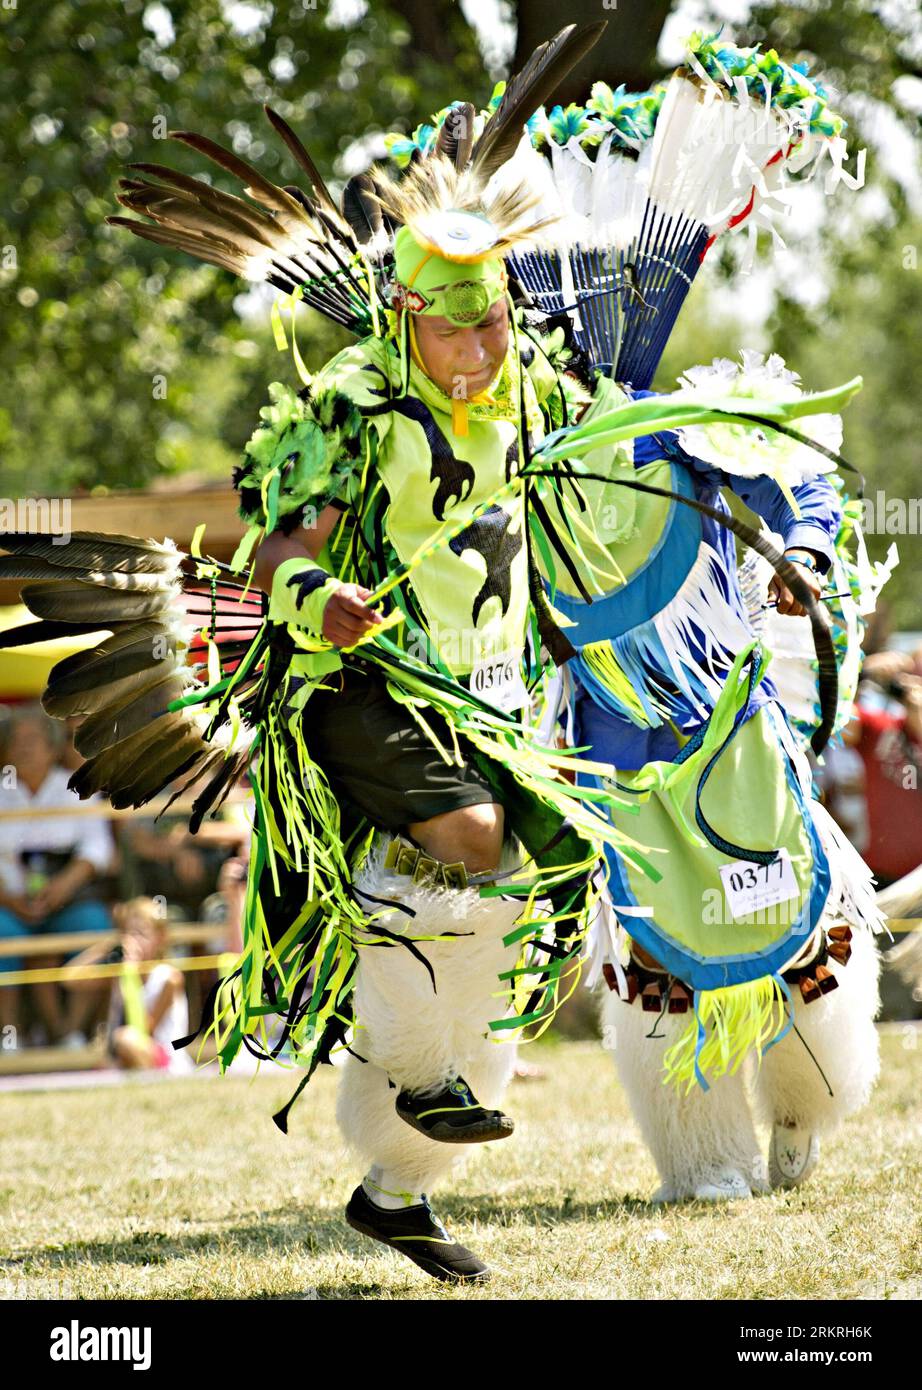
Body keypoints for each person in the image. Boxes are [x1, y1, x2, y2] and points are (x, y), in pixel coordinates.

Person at [0, 706, 115, 1046]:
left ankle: (71, 1035)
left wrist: (65, 885)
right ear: (4, 749)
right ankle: (11, 1040)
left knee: (97, 929)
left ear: (52, 747)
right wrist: (9, 899)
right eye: (16, 740)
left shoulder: (76, 790)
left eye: (33, 740)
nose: (24, 747)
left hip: (67, 903)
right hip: (9, 906)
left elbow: (99, 849)